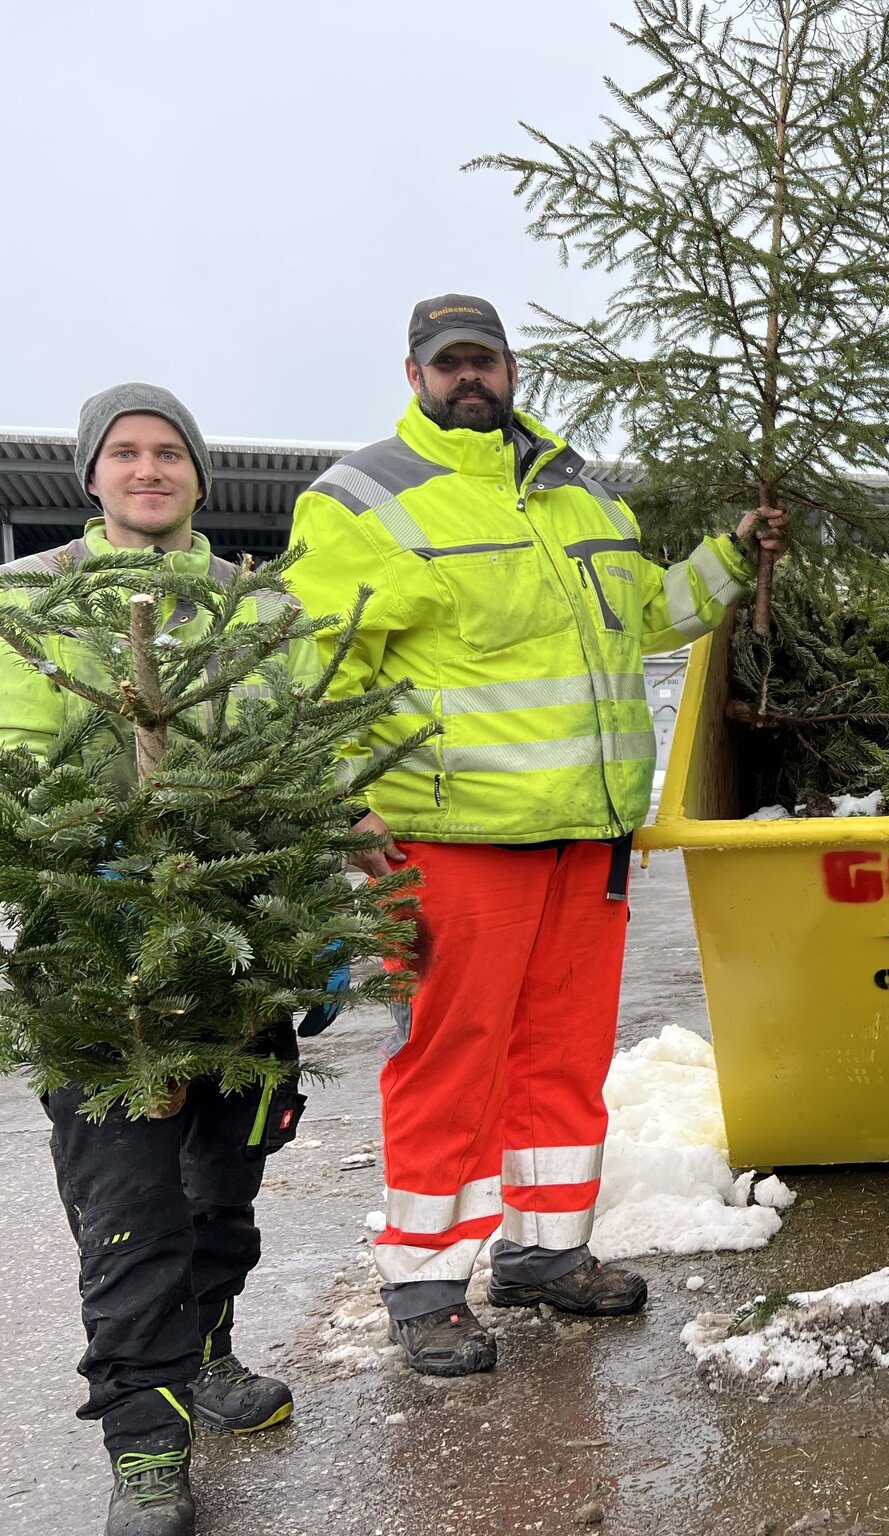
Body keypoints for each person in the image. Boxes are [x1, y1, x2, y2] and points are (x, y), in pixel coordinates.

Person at [284, 295, 784, 1378]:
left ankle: (545, 1254)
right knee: (450, 1059)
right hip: (453, 842)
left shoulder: (575, 492)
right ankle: (424, 1282)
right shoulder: (362, 499)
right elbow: (311, 665)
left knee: (560, 1056)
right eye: (448, 362)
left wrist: (732, 559)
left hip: (584, 839)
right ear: (414, 374)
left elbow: (644, 615)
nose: (470, 377)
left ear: (511, 369)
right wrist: (343, 801)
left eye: (486, 360)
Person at [6, 386, 309, 1536]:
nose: (149, 469)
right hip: (96, 953)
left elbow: (297, 753)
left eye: (168, 451)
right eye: (125, 453)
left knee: (224, 1188)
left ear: (198, 474)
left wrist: (312, 918)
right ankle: (145, 1444)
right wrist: (113, 840)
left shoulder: (252, 601)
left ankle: (211, 1355)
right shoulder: (27, 597)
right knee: (127, 1209)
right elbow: (16, 758)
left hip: (245, 946)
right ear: (91, 476)